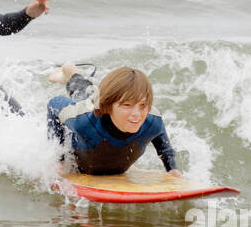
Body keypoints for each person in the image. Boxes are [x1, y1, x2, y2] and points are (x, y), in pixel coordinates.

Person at [45, 62, 182, 176]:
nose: (137, 114)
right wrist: (59, 160)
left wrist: (172, 169)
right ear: (108, 106)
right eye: (127, 105)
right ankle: (70, 72)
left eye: (143, 105)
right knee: (82, 91)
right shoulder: (82, 121)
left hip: (107, 100)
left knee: (93, 91)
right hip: (90, 103)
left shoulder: (152, 119)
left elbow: (163, 142)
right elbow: (54, 103)